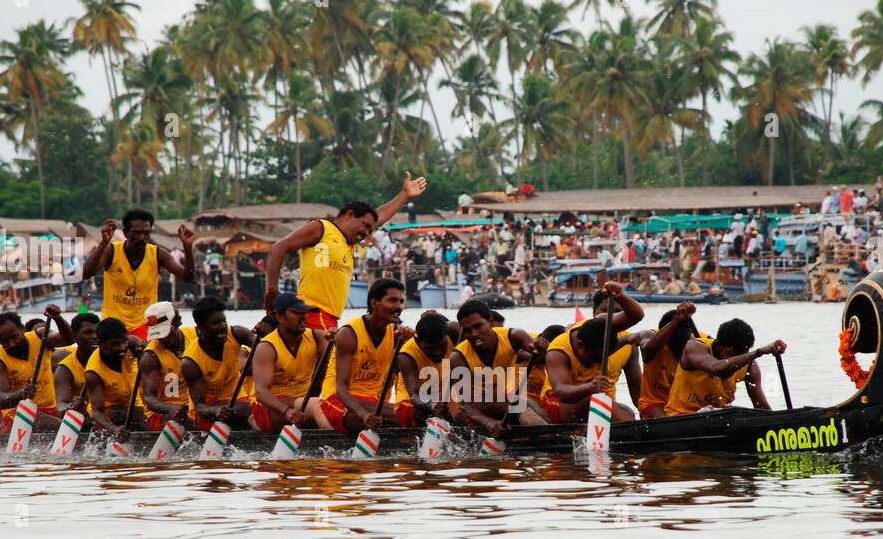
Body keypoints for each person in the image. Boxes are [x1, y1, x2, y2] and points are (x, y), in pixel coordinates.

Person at [262, 173, 428, 331]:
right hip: (312, 314)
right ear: (350, 215)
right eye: (365, 225)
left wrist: (404, 195)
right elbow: (278, 248)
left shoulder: (349, 243)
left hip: (331, 318)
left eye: (370, 229)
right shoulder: (321, 228)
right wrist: (272, 290)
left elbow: (380, 216)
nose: (367, 232)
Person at [310, 277, 414, 434]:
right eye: (392, 300)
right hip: (338, 402)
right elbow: (340, 388)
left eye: (401, 301)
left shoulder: (396, 334)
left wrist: (406, 346)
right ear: (374, 303)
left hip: (375, 402)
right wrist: (364, 415)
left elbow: (403, 376)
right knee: (401, 417)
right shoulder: (349, 333)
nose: (398, 307)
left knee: (410, 414)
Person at [81, 209, 196, 340]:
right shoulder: (112, 251)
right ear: (125, 233)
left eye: (146, 233)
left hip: (145, 326)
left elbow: (188, 277)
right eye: (136, 233)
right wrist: (103, 242)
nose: (142, 237)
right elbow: (86, 274)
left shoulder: (158, 254)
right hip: (113, 326)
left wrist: (187, 248)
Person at [538, 283, 644, 424]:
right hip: (560, 406)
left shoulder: (604, 325)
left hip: (599, 399)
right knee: (595, 399)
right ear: (580, 345)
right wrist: (590, 387)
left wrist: (619, 295)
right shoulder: (558, 352)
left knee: (627, 412)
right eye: (595, 357)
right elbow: (562, 391)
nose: (597, 361)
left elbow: (637, 315)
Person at [448, 300, 544, 436]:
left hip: (506, 402)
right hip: (474, 412)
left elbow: (542, 352)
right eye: (468, 331)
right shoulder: (458, 357)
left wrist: (543, 348)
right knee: (518, 405)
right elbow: (465, 405)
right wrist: (489, 423)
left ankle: (548, 434)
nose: (474, 334)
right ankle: (547, 436)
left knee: (529, 407)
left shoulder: (514, 336)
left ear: (491, 322)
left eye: (478, 326)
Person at [665, 318, 785, 415]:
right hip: (681, 417)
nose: (738, 361)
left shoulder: (749, 364)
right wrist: (759, 352)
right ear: (718, 345)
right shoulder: (695, 347)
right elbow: (719, 369)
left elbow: (762, 408)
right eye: (732, 355)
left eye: (742, 355)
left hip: (717, 418)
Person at [0, 305, 76, 433]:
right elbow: (1, 398)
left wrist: (58, 318)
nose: (11, 344)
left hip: (50, 409)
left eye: (14, 337)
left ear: (22, 329)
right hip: (18, 413)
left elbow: (69, 339)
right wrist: (21, 393)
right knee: (64, 428)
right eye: (5, 341)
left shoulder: (40, 336)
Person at [249, 294, 328, 432]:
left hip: (302, 403)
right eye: (297, 313)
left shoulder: (317, 336)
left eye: (305, 312)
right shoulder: (267, 347)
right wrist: (286, 411)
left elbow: (333, 369)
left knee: (328, 405)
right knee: (318, 406)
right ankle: (340, 445)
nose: (303, 317)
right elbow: (261, 392)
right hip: (272, 409)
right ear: (279, 317)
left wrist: (334, 340)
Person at [181, 296, 259, 432]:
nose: (223, 326)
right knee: (250, 410)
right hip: (209, 413)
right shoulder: (190, 362)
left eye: (224, 321)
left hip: (240, 401)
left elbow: (265, 346)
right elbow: (200, 408)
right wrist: (217, 410)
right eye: (216, 323)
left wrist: (264, 335)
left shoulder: (236, 334)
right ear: (200, 325)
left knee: (264, 407)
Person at [137, 301, 195, 431]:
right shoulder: (150, 357)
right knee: (183, 418)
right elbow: (149, 398)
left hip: (194, 406)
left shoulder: (195, 336)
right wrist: (172, 409)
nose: (162, 339)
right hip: (163, 414)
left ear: (177, 322)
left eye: (166, 332)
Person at [85, 317, 145, 439]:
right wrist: (114, 429)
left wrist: (144, 352)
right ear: (100, 343)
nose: (122, 348)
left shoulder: (132, 343)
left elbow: (150, 348)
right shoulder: (93, 372)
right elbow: (97, 412)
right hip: (108, 415)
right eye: (115, 344)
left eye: (124, 341)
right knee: (136, 414)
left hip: (134, 407)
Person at [635, 303, 697, 419]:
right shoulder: (655, 342)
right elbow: (648, 349)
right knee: (670, 423)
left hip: (684, 404)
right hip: (654, 403)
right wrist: (676, 320)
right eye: (676, 343)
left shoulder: (696, 342)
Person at [52, 312, 100, 416]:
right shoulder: (65, 369)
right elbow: (62, 407)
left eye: (98, 332)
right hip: (85, 418)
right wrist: (72, 407)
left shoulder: (111, 358)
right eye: (88, 332)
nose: (95, 336)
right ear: (74, 337)